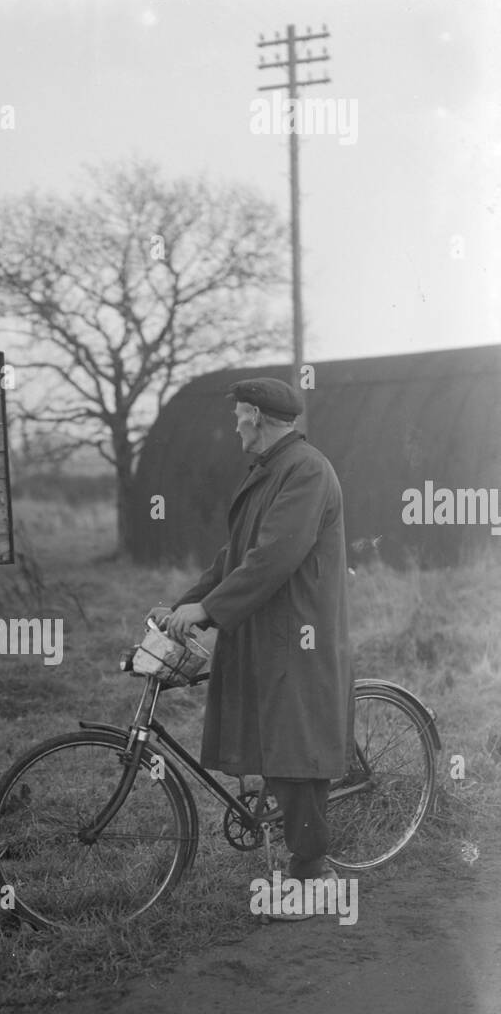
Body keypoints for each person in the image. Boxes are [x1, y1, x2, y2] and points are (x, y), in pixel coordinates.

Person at [148, 377, 354, 919]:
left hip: (298, 635)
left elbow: (273, 557)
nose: (234, 424)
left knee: (294, 752)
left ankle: (316, 875)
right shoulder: (271, 469)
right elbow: (234, 556)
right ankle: (300, 857)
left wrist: (210, 611)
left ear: (256, 416)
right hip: (270, 630)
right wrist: (186, 603)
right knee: (277, 743)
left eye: (238, 414)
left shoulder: (305, 470)